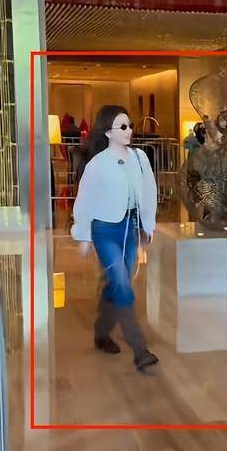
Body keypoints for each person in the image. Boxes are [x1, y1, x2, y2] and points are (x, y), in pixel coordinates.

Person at [72, 105, 159, 372]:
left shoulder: (140, 158)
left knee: (118, 281)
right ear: (108, 132)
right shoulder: (98, 164)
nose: (129, 130)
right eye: (122, 126)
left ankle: (102, 331)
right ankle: (140, 349)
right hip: (104, 230)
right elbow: (84, 200)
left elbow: (149, 192)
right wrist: (83, 235)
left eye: (130, 125)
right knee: (121, 281)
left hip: (129, 227)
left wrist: (148, 225)